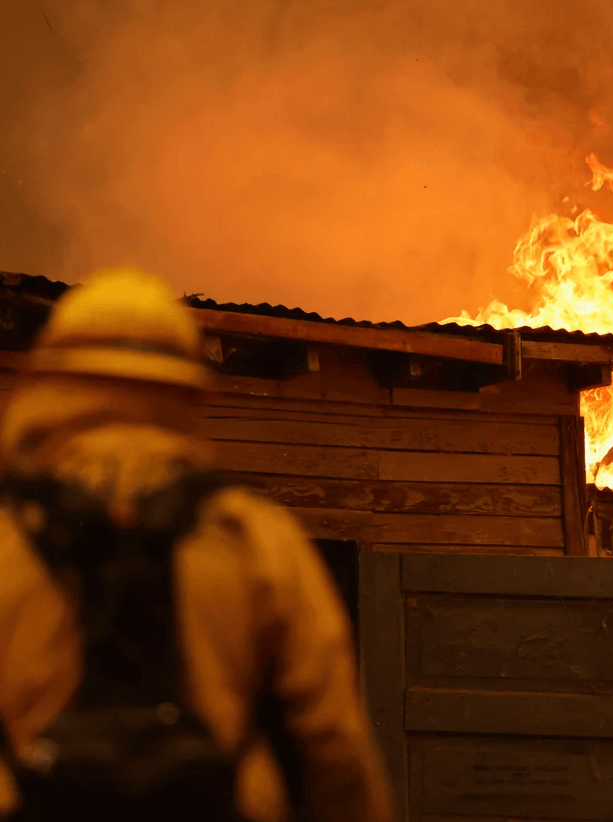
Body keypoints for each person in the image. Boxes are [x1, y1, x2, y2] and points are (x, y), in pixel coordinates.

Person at [0, 268, 394, 822]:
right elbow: (332, 742)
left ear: (54, 380)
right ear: (187, 389)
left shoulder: (7, 537)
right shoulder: (253, 536)